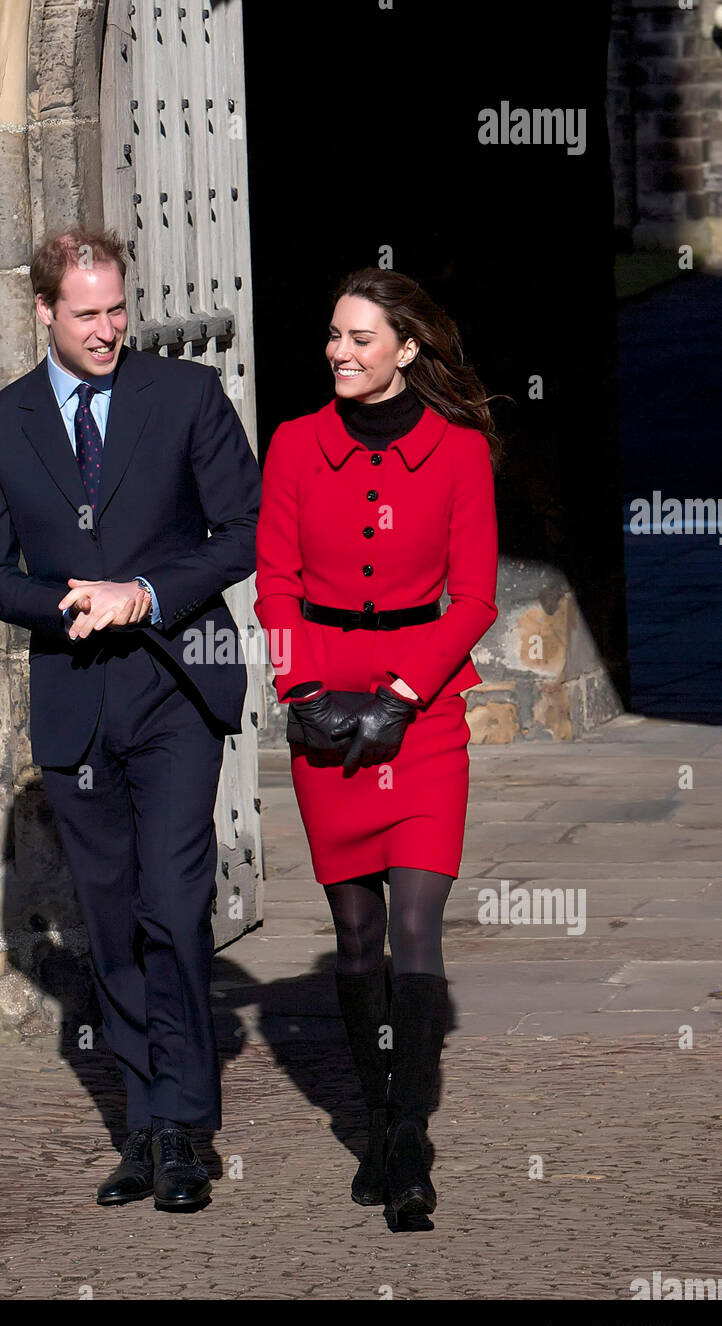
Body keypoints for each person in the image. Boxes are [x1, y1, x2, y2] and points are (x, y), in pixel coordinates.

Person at [0, 225, 261, 1211]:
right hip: (76, 697)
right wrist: (64, 601)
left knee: (174, 909)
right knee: (117, 925)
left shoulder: (183, 398)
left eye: (116, 308)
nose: (106, 328)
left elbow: (247, 529)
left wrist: (143, 589)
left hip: (177, 685)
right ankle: (145, 1122)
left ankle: (184, 1125)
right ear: (43, 311)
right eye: (85, 313)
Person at [254, 268, 500, 1227]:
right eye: (333, 335)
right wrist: (300, 689)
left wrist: (402, 693)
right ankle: (374, 1115)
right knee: (354, 938)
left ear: (407, 349)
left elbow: (475, 597)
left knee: (413, 930)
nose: (339, 352)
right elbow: (272, 582)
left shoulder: (459, 453)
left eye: (360, 338)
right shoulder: (293, 444)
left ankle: (405, 1141)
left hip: (425, 711)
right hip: (322, 702)